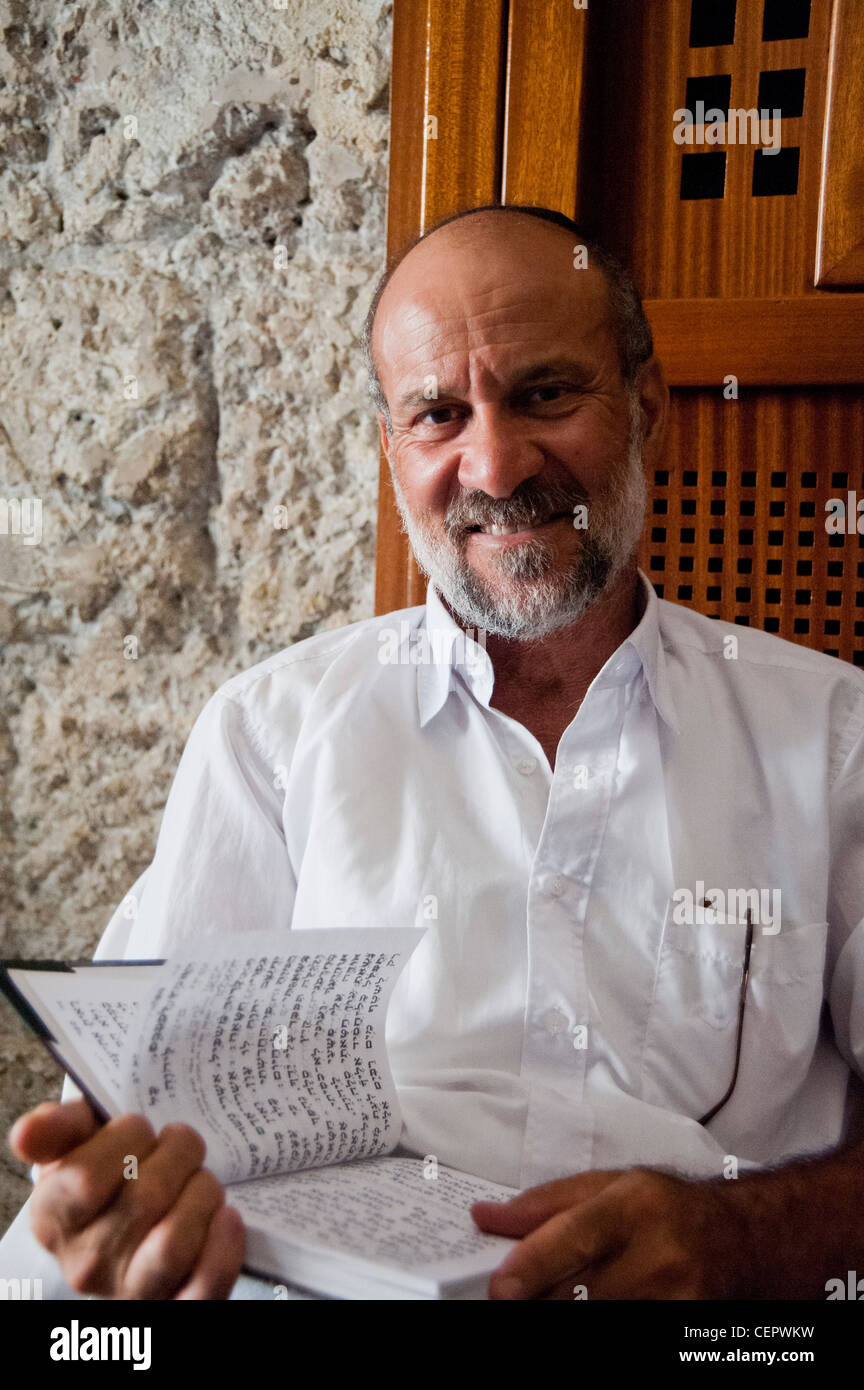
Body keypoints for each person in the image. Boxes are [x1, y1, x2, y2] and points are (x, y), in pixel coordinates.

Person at [5, 205, 864, 1300]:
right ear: (393, 450)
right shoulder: (273, 737)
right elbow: (130, 1120)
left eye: (545, 393)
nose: (495, 463)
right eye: (437, 414)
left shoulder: (833, 740)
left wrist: (748, 1236)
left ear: (649, 409)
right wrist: (113, 1213)